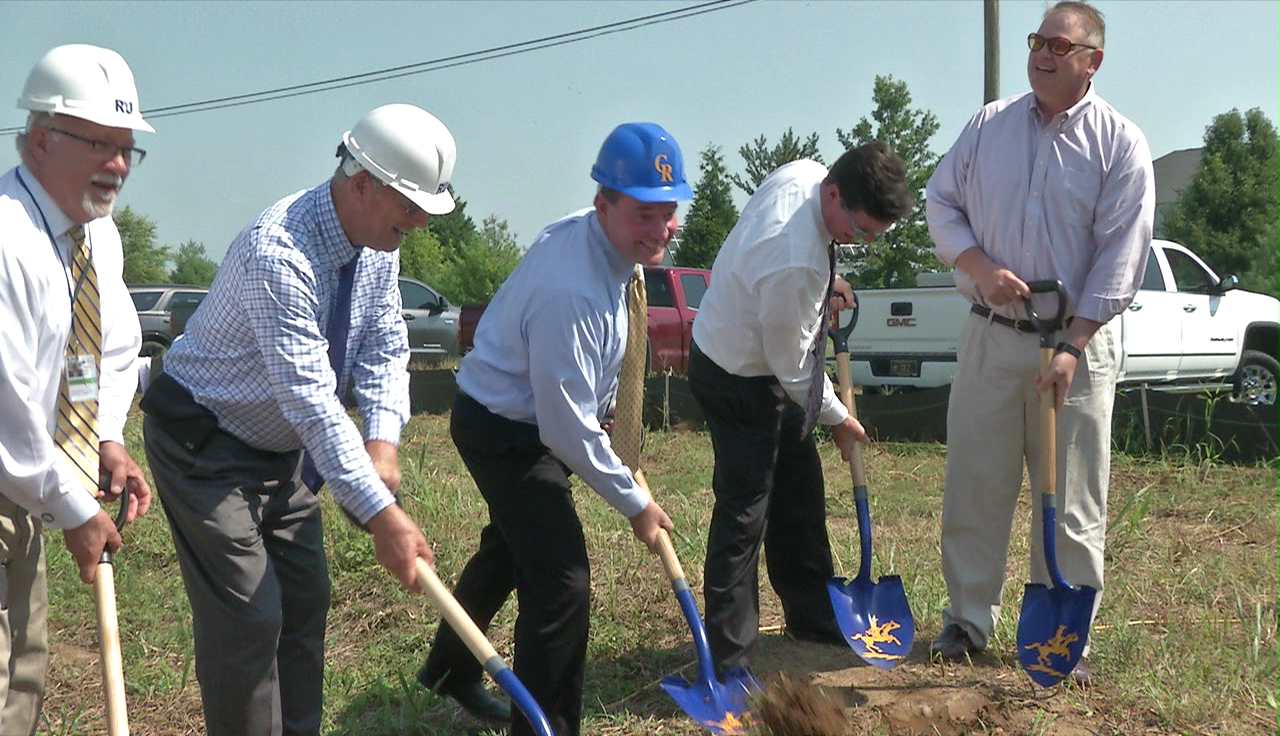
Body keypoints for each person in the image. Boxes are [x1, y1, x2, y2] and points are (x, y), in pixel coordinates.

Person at [140, 103, 446, 735]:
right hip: (205, 444)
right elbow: (309, 398)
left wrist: (382, 443)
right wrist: (382, 516)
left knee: (305, 602)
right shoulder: (278, 252)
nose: (417, 221)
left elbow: (386, 347)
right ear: (361, 183)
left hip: (279, 454)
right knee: (250, 619)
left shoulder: (379, 247)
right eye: (409, 205)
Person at [415, 122, 681, 736]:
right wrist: (636, 503)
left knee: (511, 546)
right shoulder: (573, 290)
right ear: (603, 205)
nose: (661, 229)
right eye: (645, 213)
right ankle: (546, 727)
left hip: (527, 415)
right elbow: (565, 429)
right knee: (562, 580)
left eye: (669, 212)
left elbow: (580, 392)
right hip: (504, 428)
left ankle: (449, 669)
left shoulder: (604, 244)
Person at [925, 1, 1155, 687]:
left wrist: (1074, 344)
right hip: (992, 339)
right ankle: (967, 622)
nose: (1042, 54)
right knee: (974, 485)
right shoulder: (988, 126)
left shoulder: (1120, 144)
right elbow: (943, 201)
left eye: (1060, 44)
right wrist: (977, 267)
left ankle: (1062, 640)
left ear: (1093, 60)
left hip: (1074, 351)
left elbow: (1122, 253)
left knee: (1075, 500)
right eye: (1036, 41)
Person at [688, 142, 914, 677]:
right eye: (858, 230)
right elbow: (792, 371)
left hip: (766, 353)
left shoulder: (806, 175)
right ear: (833, 194)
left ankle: (812, 614)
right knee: (746, 510)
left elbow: (789, 341)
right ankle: (729, 659)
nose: (859, 241)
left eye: (872, 237)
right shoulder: (795, 262)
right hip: (734, 372)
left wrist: (825, 283)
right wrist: (840, 418)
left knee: (799, 485)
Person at [0, 44, 154, 733]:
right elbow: (7, 409)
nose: (118, 166)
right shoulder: (8, 241)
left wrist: (108, 436)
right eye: (101, 144)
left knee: (22, 672)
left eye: (127, 150)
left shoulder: (97, 236)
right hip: (18, 473)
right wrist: (71, 506)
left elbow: (115, 341)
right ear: (40, 139)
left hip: (26, 492)